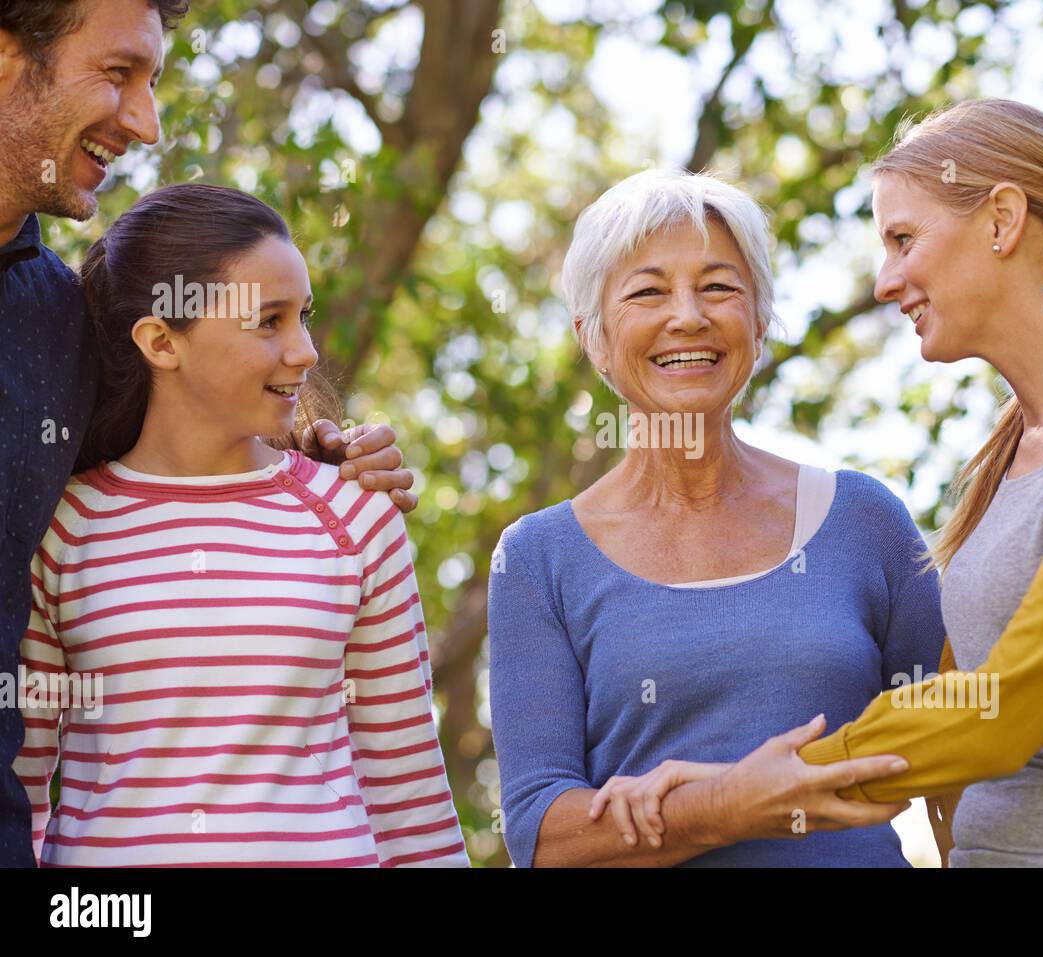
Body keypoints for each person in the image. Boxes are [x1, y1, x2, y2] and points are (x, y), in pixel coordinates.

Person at [603, 100, 1043, 868]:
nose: (886, 282)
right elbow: (943, 711)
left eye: (902, 239)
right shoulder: (1008, 455)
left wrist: (746, 793)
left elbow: (1003, 706)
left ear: (1002, 220)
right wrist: (732, 788)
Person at [0, 0, 414, 867]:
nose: (145, 123)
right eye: (119, 74)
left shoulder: (56, 320)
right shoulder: (77, 528)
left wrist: (306, 463)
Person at [488, 168, 946, 867]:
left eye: (719, 286)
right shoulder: (537, 558)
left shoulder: (865, 519)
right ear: (594, 337)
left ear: (759, 322)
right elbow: (542, 833)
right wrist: (726, 807)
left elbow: (957, 748)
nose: (688, 316)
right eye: (647, 291)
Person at [14, 183, 468, 867]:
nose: (307, 350)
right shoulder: (66, 525)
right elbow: (20, 796)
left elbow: (409, 798)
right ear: (162, 341)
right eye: (269, 320)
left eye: (305, 317)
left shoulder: (354, 513)